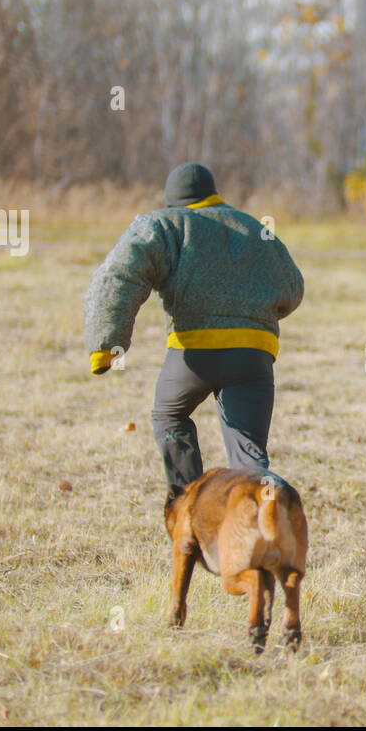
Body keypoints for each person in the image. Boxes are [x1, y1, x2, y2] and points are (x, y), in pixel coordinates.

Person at [83, 162, 303, 501]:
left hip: (194, 352)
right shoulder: (253, 226)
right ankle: (267, 521)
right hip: (254, 353)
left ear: (173, 200)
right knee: (249, 456)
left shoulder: (163, 224)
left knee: (169, 415)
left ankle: (188, 505)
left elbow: (119, 276)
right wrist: (256, 315)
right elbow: (292, 287)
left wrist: (106, 346)